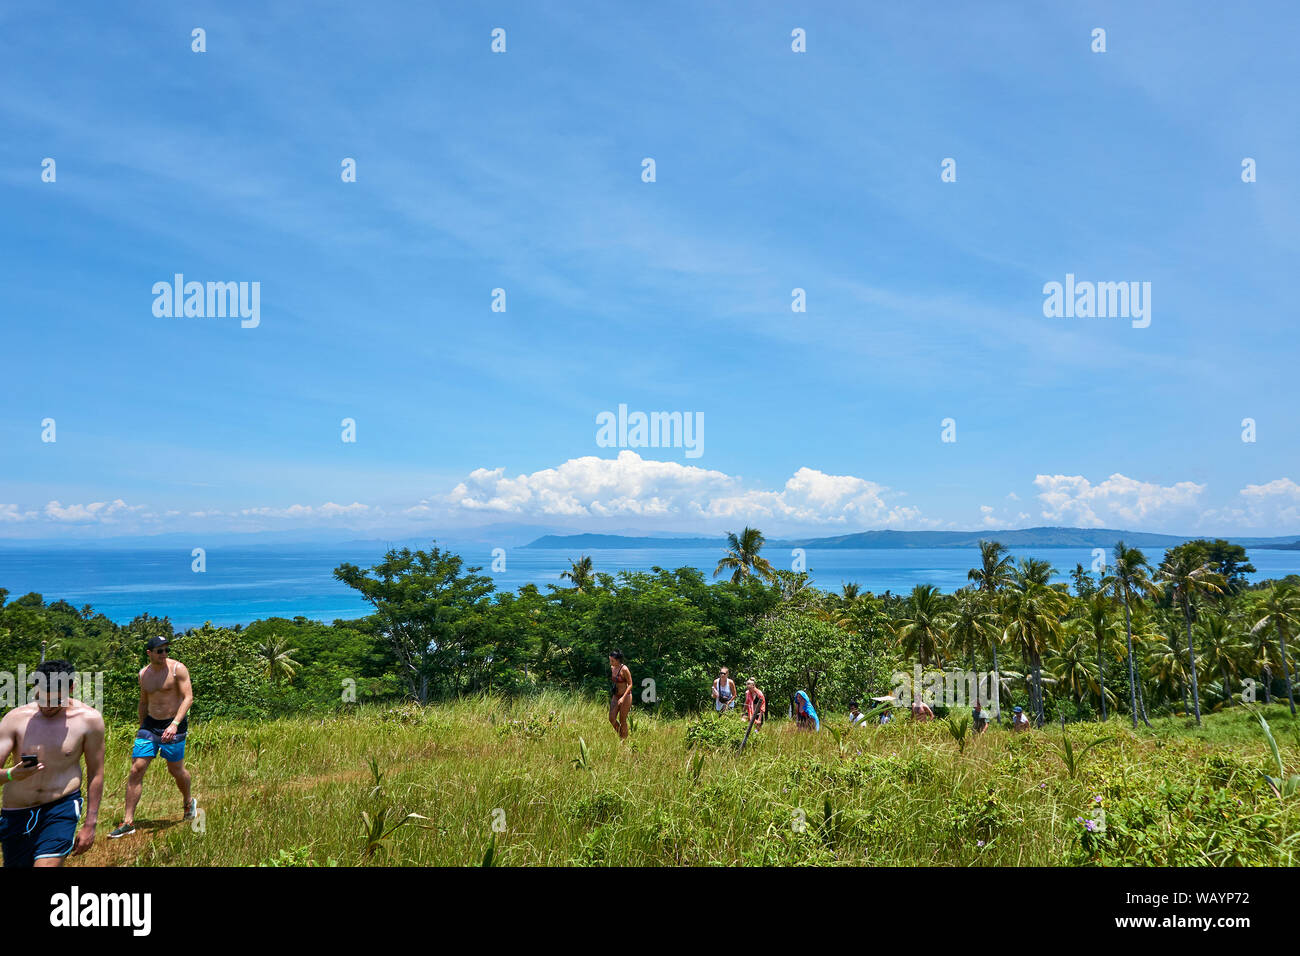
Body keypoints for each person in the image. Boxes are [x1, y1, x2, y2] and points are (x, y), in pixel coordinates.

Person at [0, 660, 105, 867]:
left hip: (61, 805)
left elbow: (96, 773)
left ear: (71, 688)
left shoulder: (89, 720)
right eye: (41, 698)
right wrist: (12, 774)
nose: (47, 707)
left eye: (56, 700)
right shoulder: (15, 719)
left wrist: (90, 823)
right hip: (16, 811)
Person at [110, 636, 195, 839]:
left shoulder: (177, 669)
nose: (164, 654)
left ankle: (188, 801)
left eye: (166, 650)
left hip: (174, 724)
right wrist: (142, 727)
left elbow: (188, 697)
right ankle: (128, 821)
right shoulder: (143, 674)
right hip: (150, 725)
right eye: (159, 651)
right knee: (136, 768)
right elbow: (143, 701)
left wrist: (175, 724)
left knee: (175, 770)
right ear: (149, 653)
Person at [607, 649, 632, 741]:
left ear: (618, 660)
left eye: (612, 660)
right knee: (611, 718)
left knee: (622, 720)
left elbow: (630, 684)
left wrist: (623, 698)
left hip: (625, 696)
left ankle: (623, 740)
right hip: (616, 695)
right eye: (610, 660)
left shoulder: (624, 669)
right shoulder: (612, 668)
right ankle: (621, 735)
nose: (611, 662)